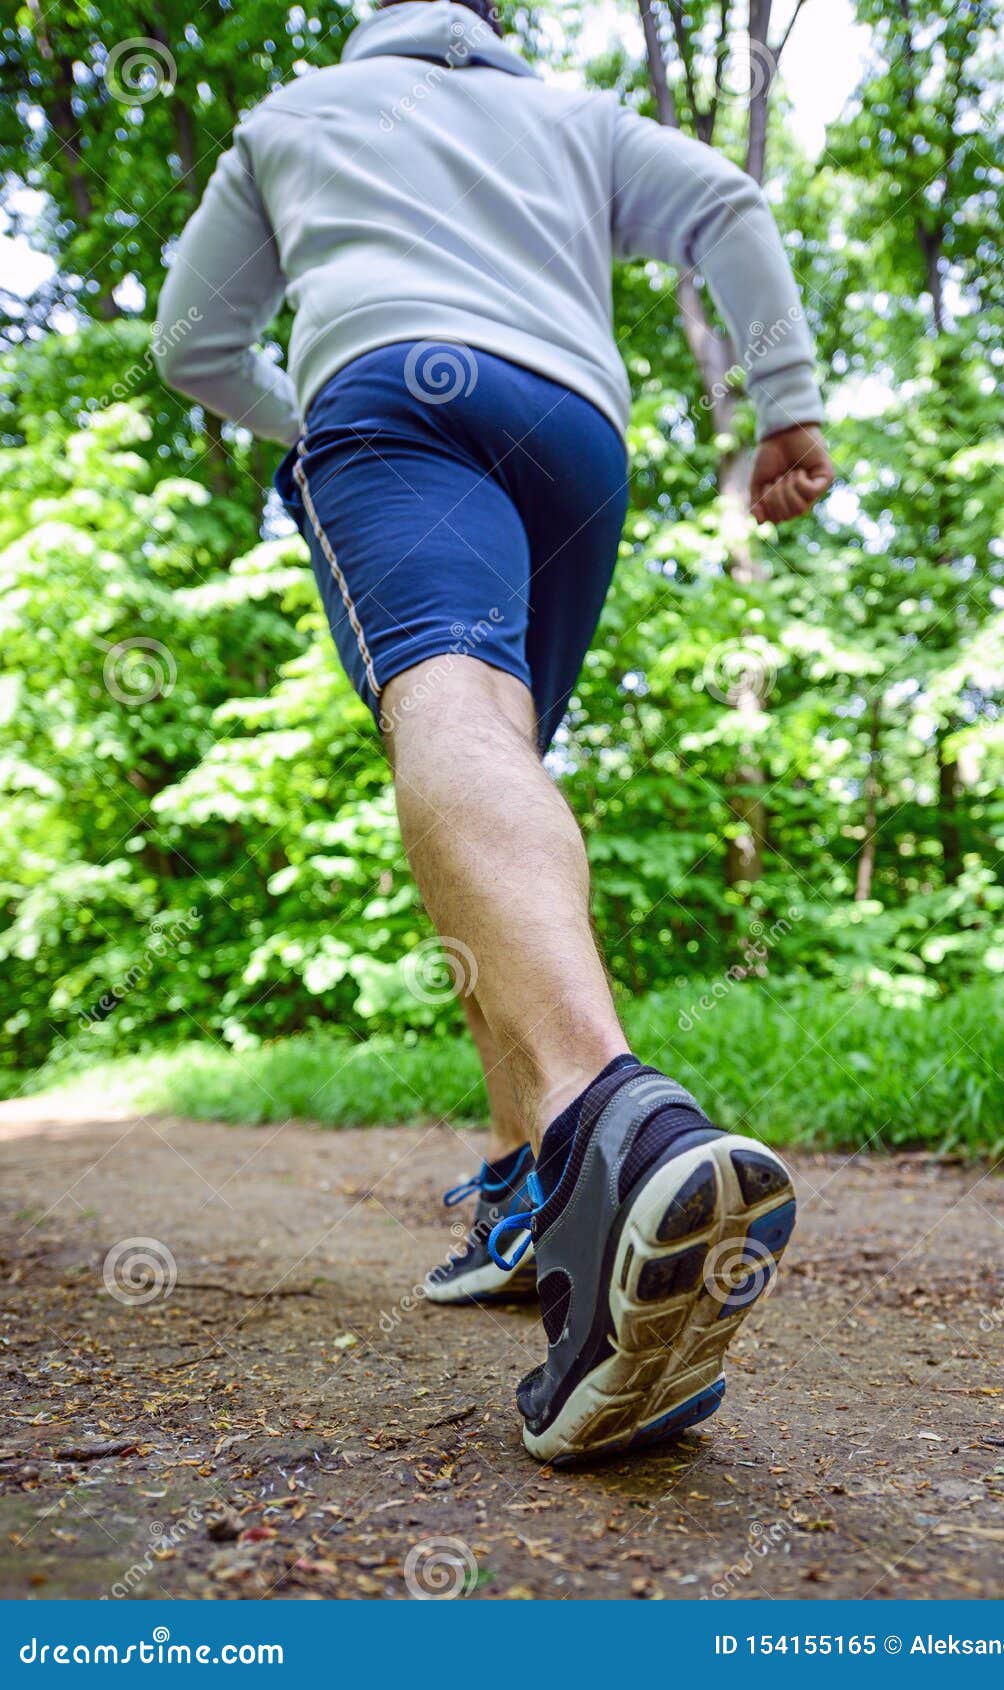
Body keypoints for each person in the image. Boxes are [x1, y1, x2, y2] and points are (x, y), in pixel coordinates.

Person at [155, 0, 833, 1464]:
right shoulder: (570, 118)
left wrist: (319, 411)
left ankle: (614, 1128)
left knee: (446, 713)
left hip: (396, 402)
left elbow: (192, 345)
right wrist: (782, 401)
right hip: (573, 434)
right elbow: (724, 200)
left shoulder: (294, 116)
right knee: (497, 763)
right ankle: (537, 1198)